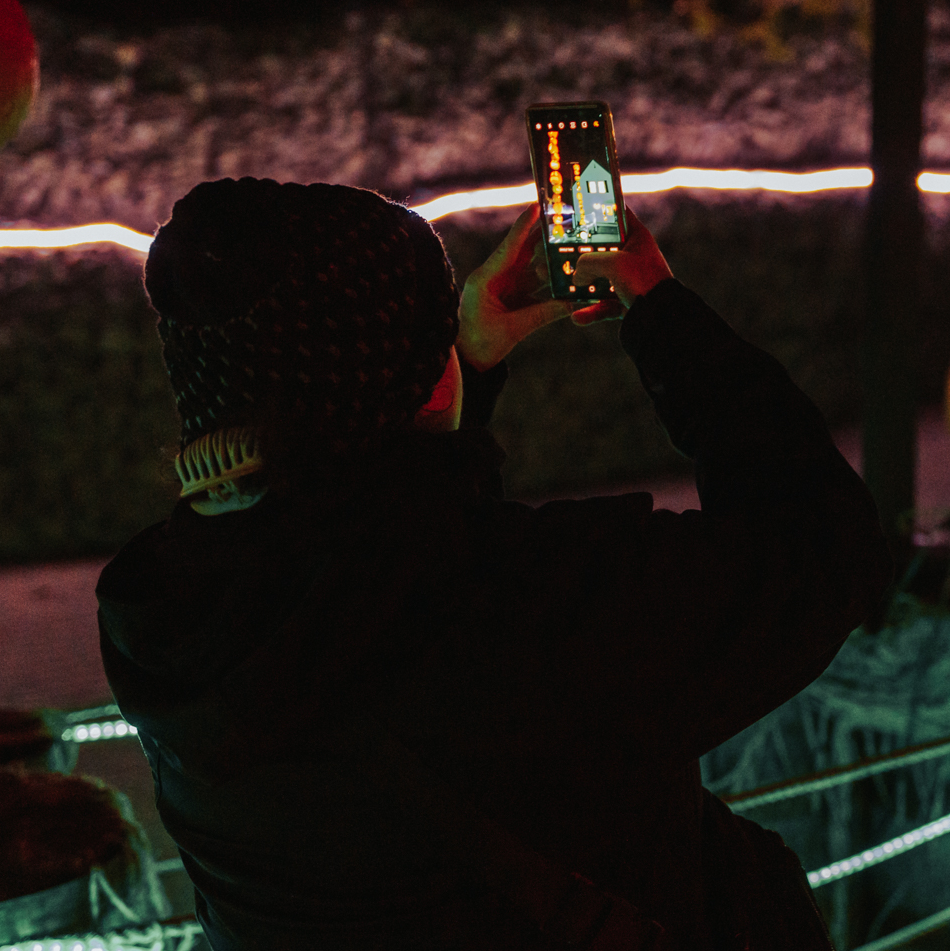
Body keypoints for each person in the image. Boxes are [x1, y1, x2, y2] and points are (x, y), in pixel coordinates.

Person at [97, 177, 892, 950]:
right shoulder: (541, 605)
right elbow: (821, 546)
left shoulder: (165, 616)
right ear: (427, 376)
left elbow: (371, 545)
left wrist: (459, 378)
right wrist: (659, 308)